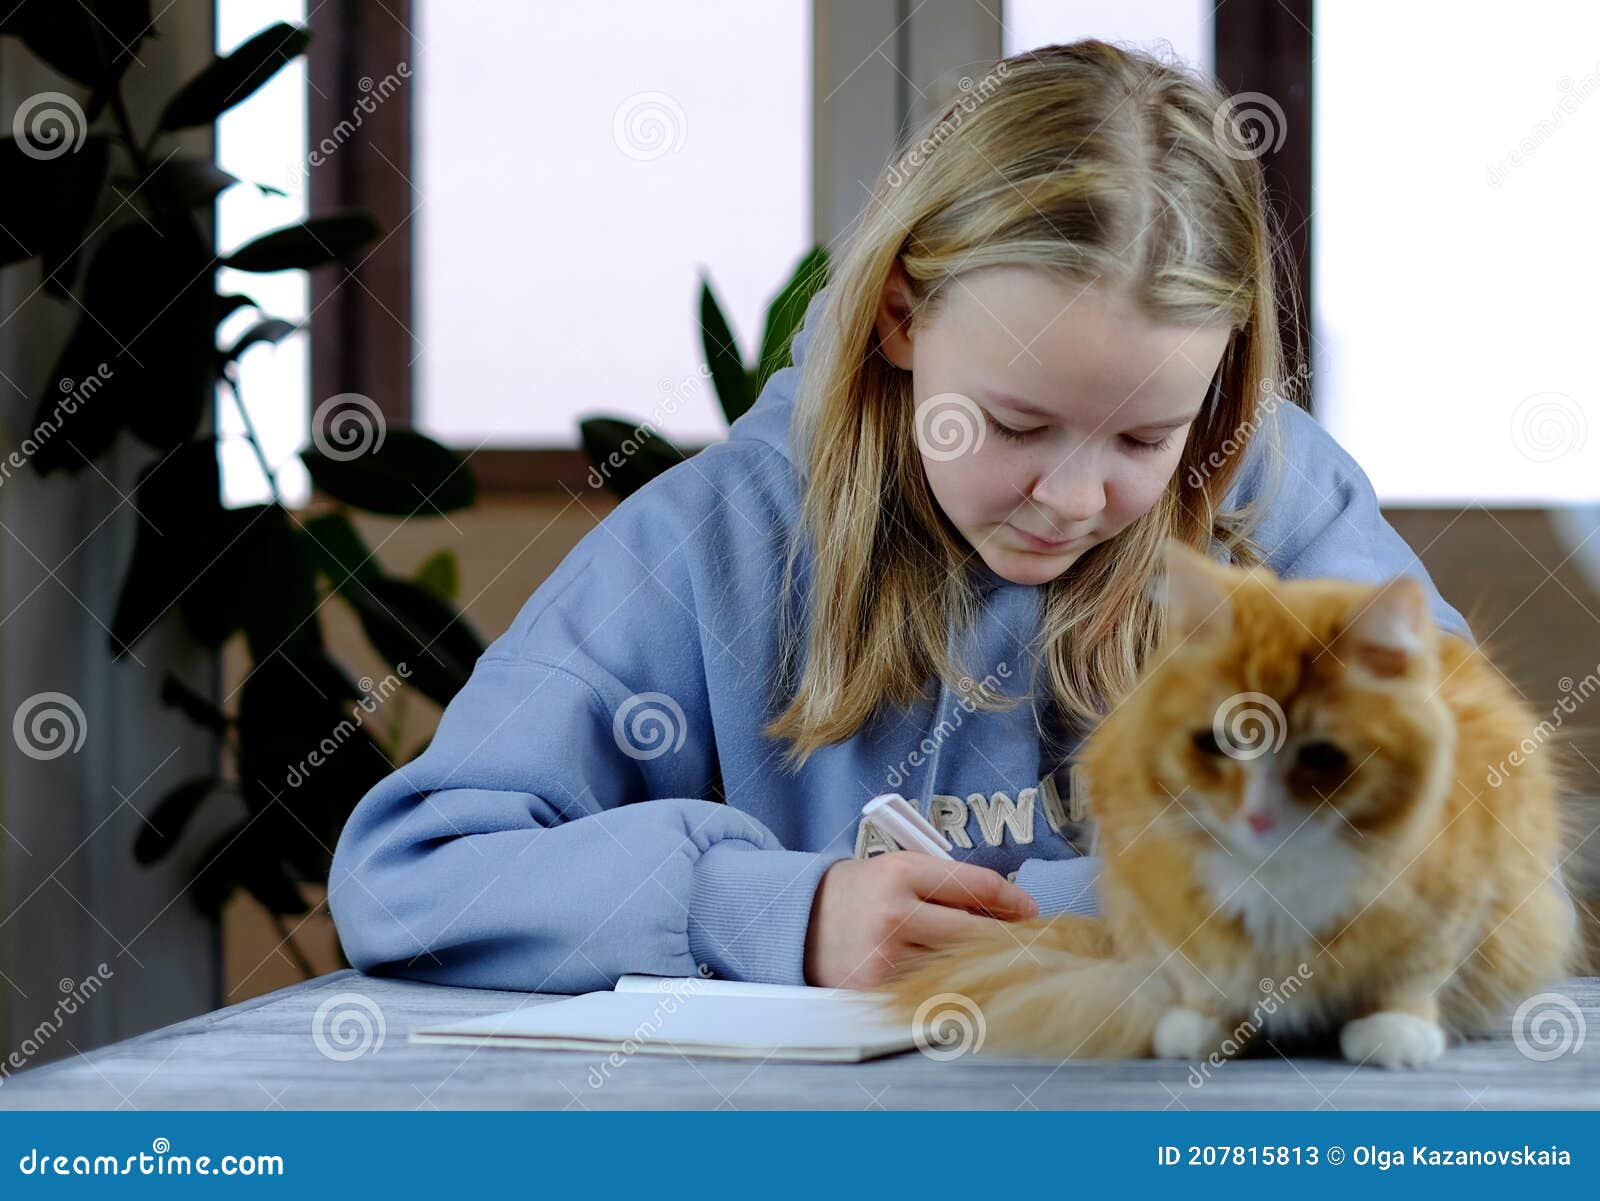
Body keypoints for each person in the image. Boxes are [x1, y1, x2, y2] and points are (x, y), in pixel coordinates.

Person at [327, 39, 1471, 995]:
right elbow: (409, 873)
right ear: (898, 322)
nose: (1074, 499)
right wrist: (774, 912)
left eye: (1141, 439)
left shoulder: (1272, 493)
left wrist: (1082, 916)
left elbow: (1465, 797)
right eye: (1014, 425)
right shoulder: (708, 544)